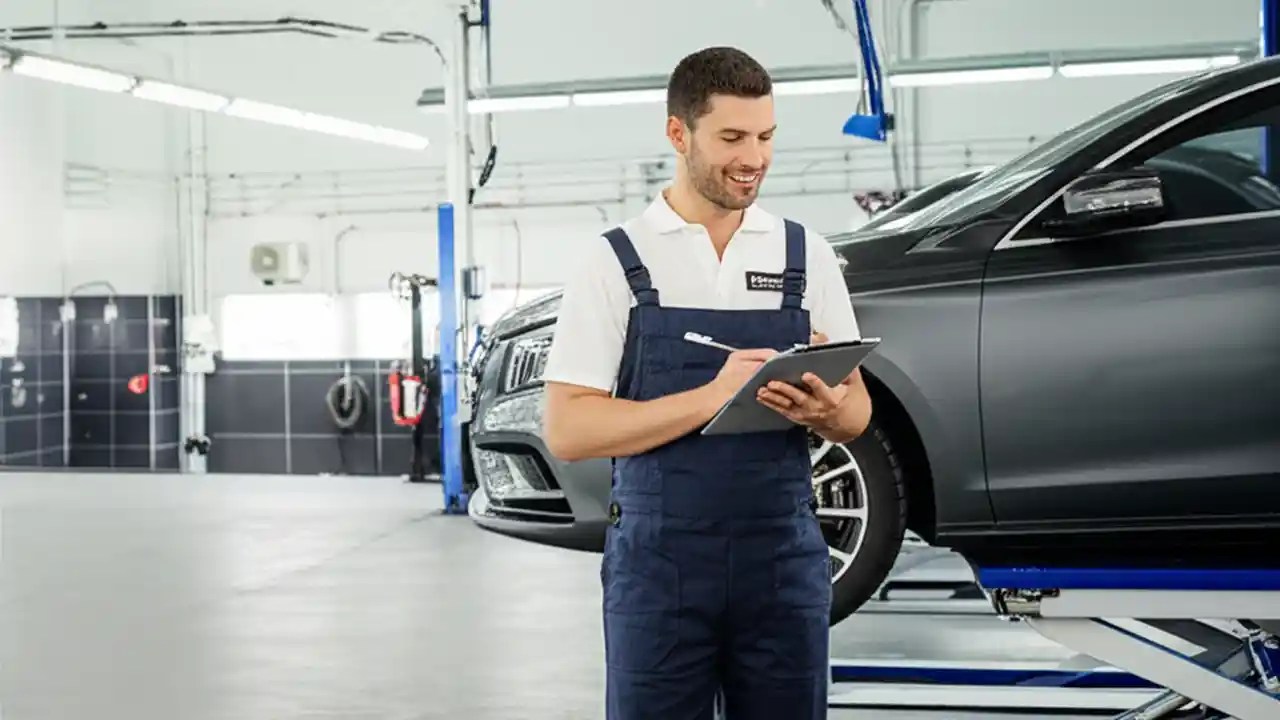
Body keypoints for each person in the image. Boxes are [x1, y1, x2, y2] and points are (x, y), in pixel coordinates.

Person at [540, 46, 873, 720]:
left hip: (781, 558)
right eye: (732, 138)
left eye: (766, 136)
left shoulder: (804, 255)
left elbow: (857, 410)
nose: (754, 157)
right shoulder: (616, 261)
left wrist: (827, 410)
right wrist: (711, 396)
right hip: (660, 571)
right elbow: (570, 429)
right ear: (678, 134)